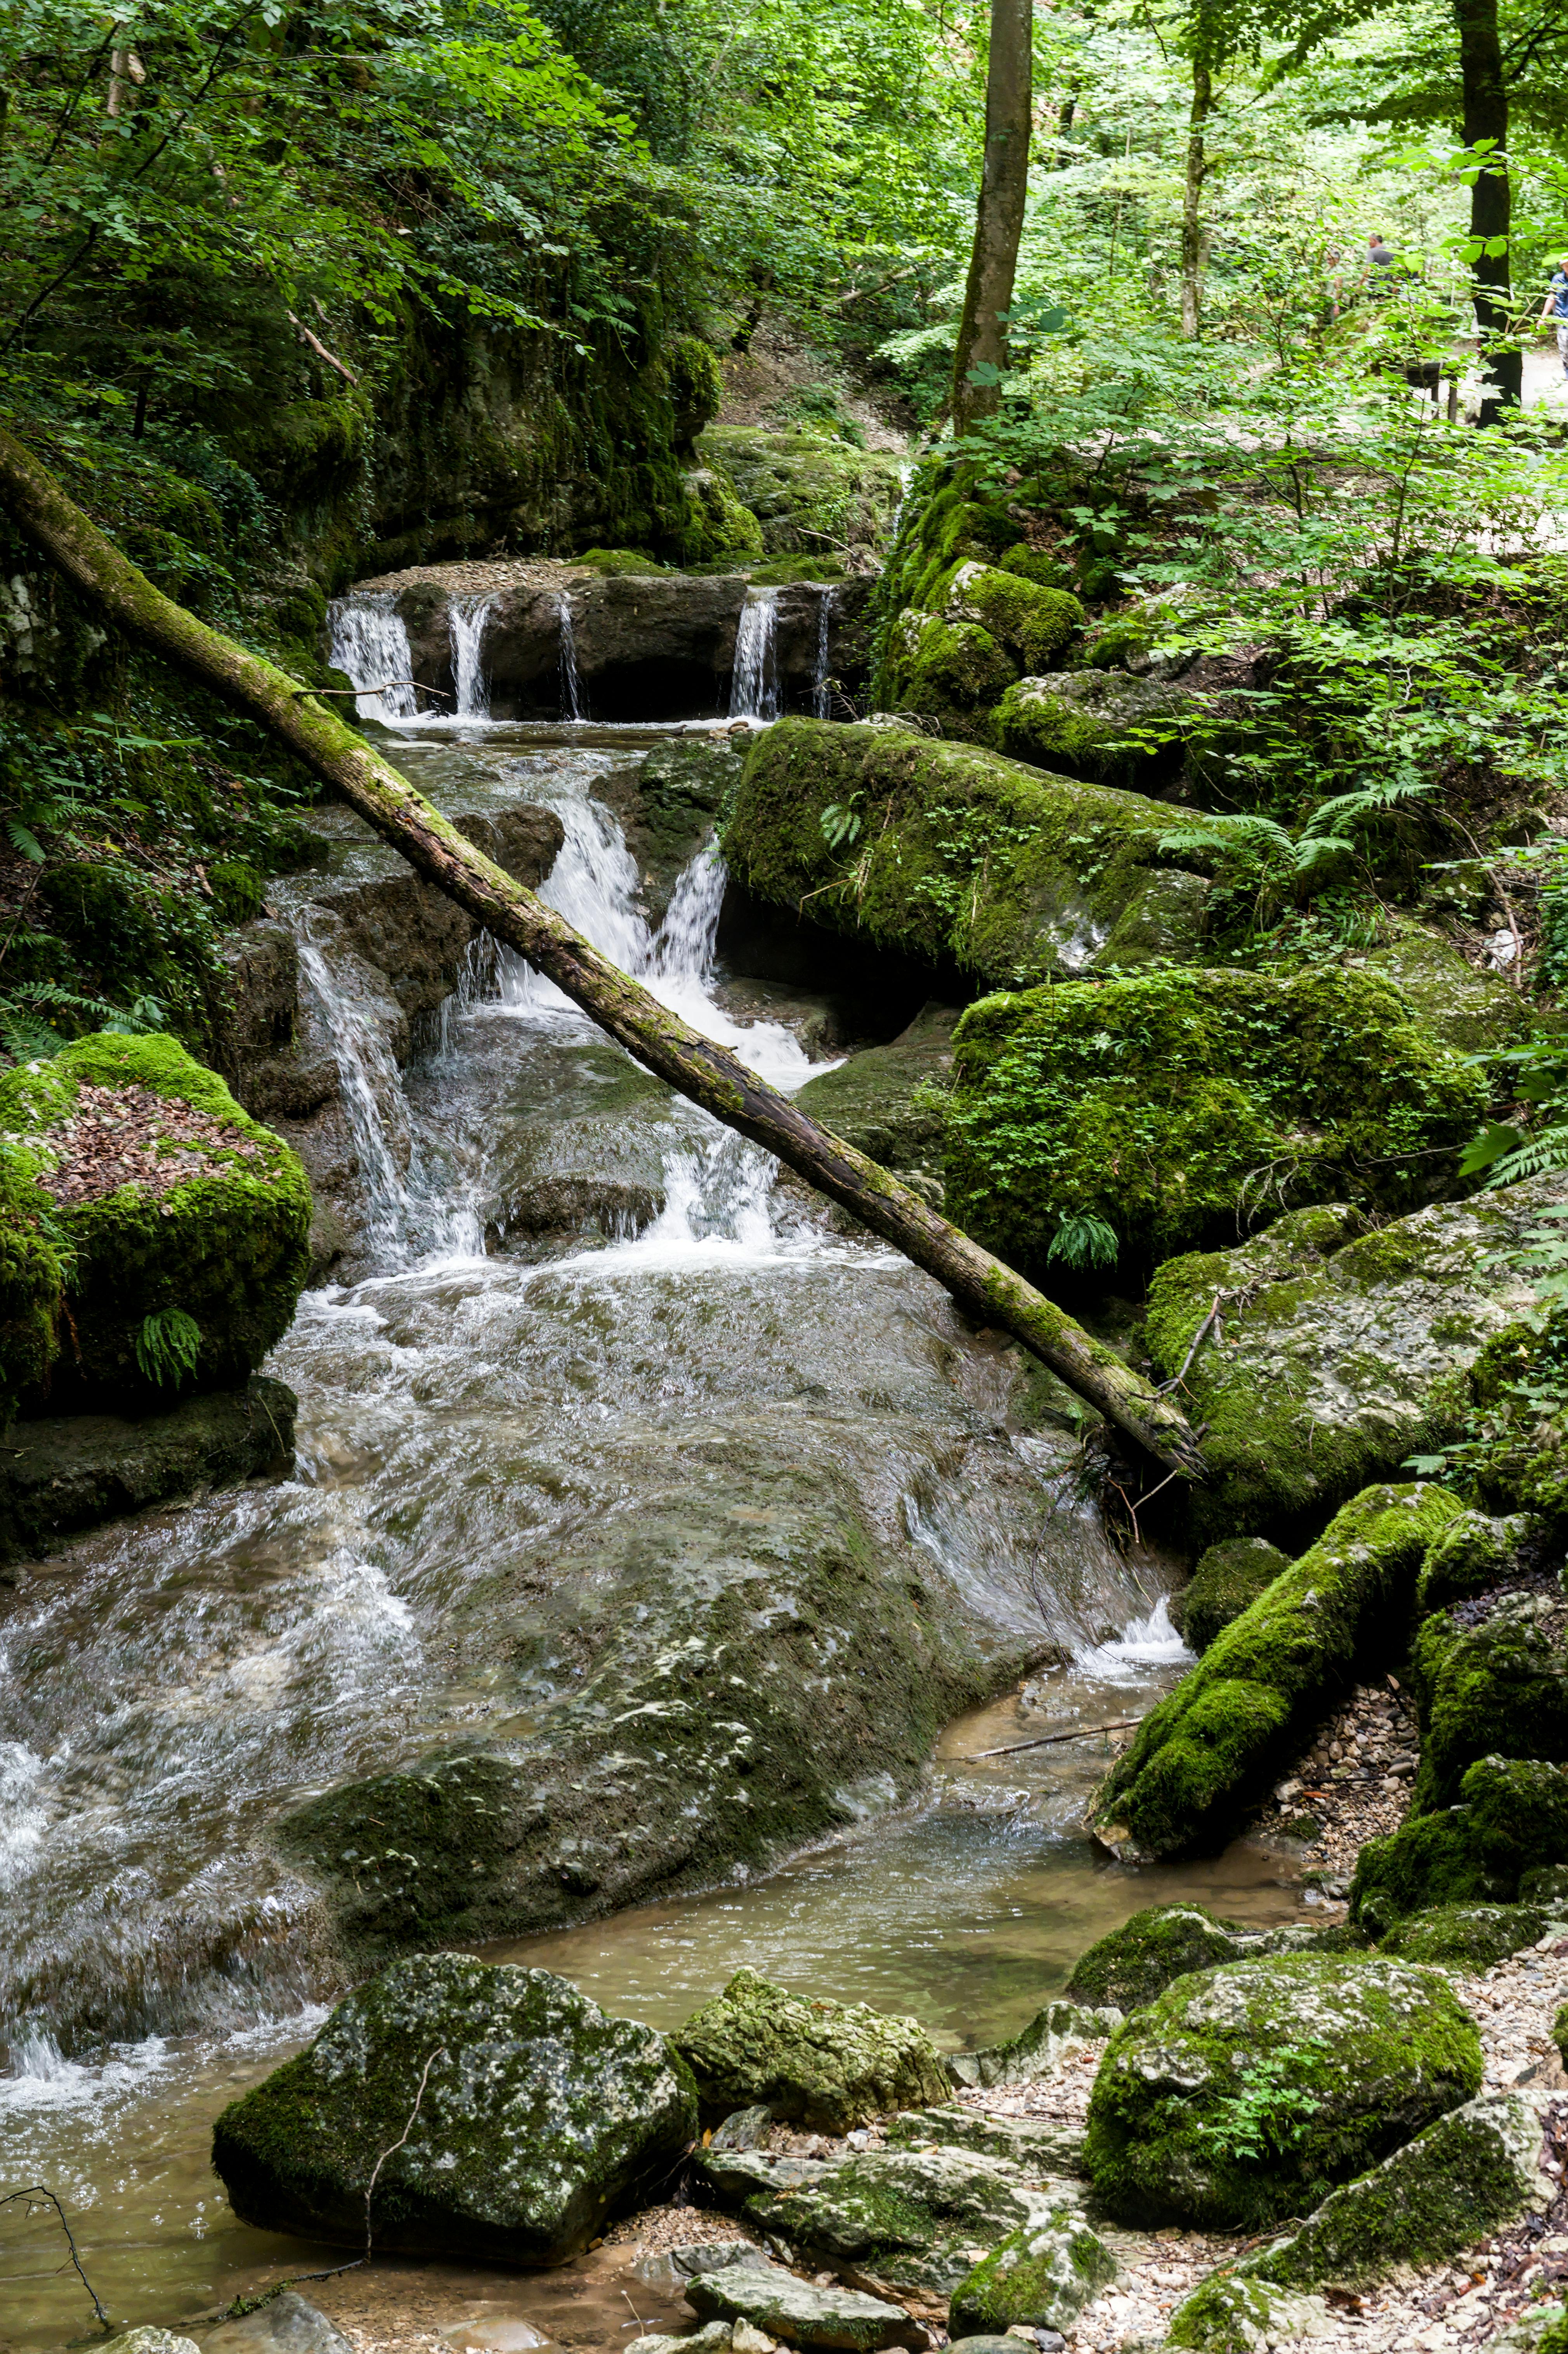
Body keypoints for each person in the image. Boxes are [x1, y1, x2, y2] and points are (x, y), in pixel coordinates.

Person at [1541, 258, 1568, 382]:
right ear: (1562, 266)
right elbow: (1551, 299)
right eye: (1566, 265)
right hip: (1562, 320)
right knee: (1565, 347)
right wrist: (1543, 318)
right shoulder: (1558, 279)